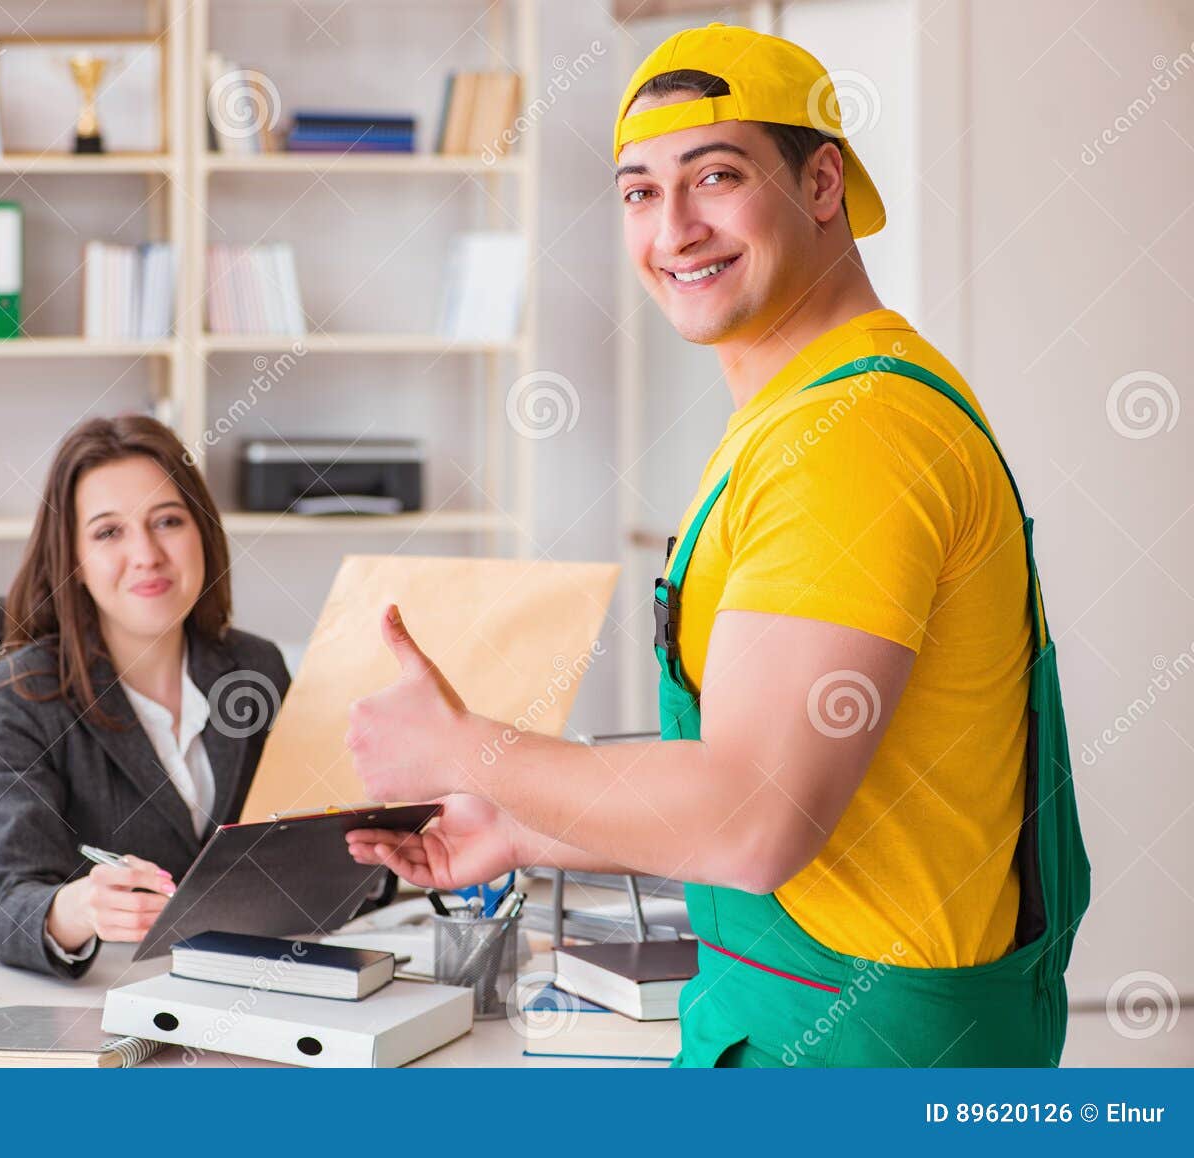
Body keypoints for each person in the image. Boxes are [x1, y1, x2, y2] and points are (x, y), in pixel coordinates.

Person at [342, 24, 1089, 1067]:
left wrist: (468, 747)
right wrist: (514, 823)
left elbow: (753, 815)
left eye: (717, 175)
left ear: (821, 182)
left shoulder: (852, 440)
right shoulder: (799, 417)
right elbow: (745, 771)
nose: (674, 228)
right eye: (638, 192)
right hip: (800, 1024)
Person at [0, 414, 291, 978]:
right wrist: (79, 908)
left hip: (260, 986)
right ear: (72, 561)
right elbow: (7, 911)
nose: (147, 554)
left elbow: (309, 856)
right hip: (111, 1003)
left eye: (167, 521)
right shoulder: (27, 692)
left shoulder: (256, 667)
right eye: (109, 532)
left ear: (203, 534)